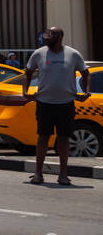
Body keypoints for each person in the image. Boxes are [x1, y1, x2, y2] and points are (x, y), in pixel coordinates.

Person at [23, 26, 89, 186]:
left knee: (64, 138)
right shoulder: (39, 53)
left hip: (66, 103)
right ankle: (38, 173)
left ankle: (63, 175)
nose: (46, 37)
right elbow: (28, 72)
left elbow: (85, 73)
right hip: (44, 103)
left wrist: (86, 92)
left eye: (50, 35)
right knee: (43, 137)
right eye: (46, 34)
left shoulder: (73, 54)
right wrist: (25, 91)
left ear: (59, 36)